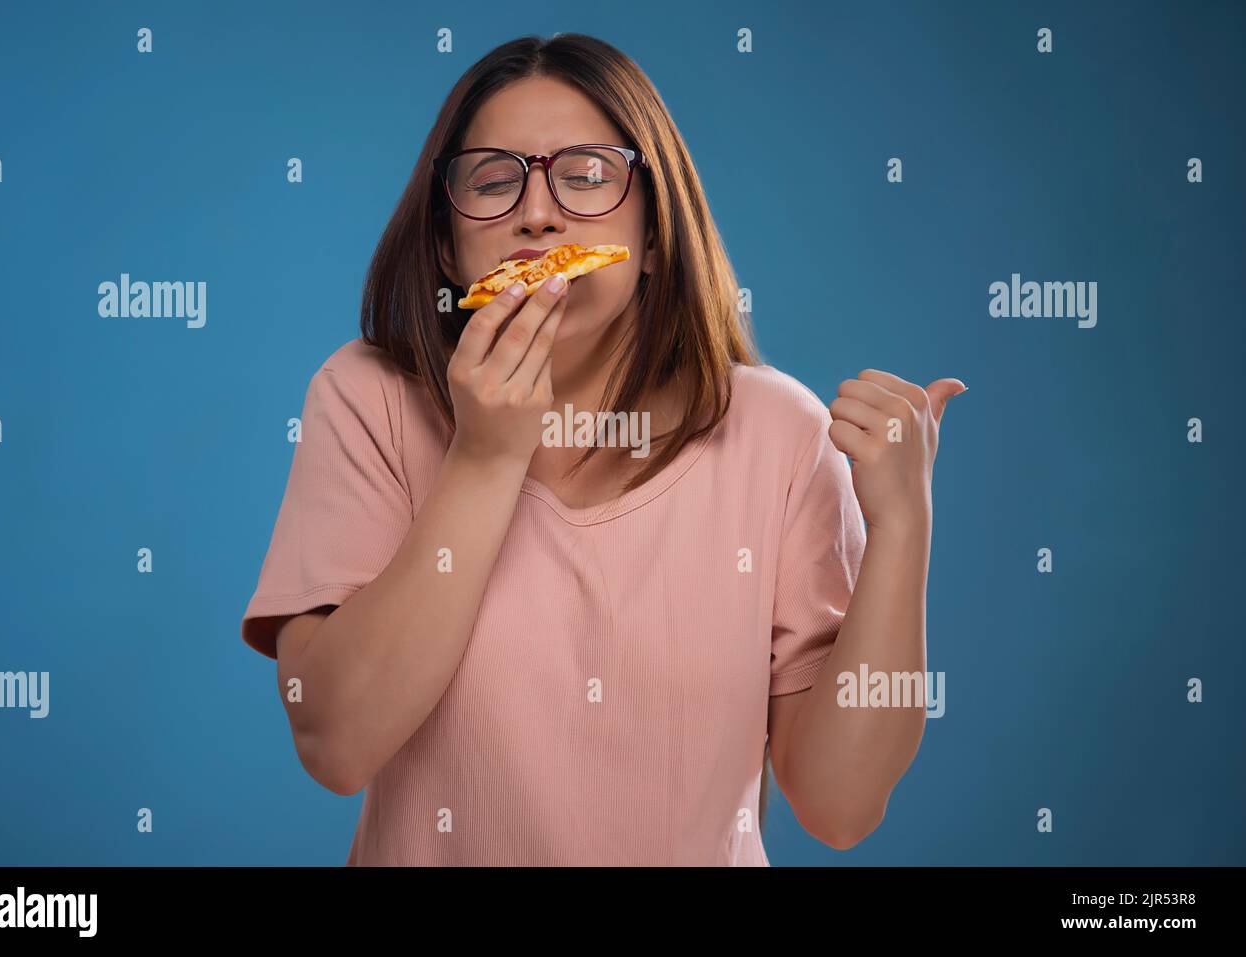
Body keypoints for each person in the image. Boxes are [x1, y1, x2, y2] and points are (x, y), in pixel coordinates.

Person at [239, 33, 966, 866]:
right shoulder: (368, 397)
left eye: (585, 176)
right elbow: (335, 742)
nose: (537, 213)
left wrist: (902, 528)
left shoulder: (775, 432)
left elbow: (840, 806)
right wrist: (483, 459)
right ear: (446, 245)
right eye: (491, 179)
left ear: (655, 235)